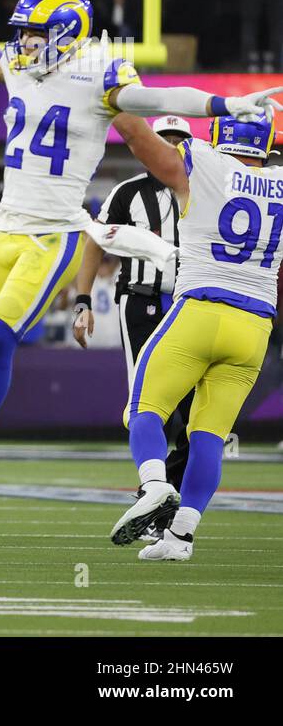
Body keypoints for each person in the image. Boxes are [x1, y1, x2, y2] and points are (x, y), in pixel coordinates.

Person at [0, 0, 283, 515]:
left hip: (57, 232)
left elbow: (162, 99)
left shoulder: (99, 75)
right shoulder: (21, 65)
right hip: (8, 228)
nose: (22, 44)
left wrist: (225, 102)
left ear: (67, 36)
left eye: (34, 34)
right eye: (20, 34)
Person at [108, 109, 283, 560]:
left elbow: (132, 133)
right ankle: (180, 537)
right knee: (208, 435)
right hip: (255, 325)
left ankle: (153, 486)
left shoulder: (201, 161)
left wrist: (114, 91)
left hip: (201, 308)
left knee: (143, 409)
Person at [74, 115, 196, 535]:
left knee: (196, 415)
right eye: (165, 140)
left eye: (180, 140)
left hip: (192, 304)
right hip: (141, 304)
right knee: (148, 403)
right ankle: (154, 494)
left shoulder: (205, 188)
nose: (172, 148)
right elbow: (95, 239)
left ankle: (165, 495)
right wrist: (83, 299)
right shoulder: (128, 192)